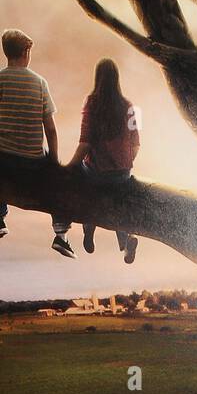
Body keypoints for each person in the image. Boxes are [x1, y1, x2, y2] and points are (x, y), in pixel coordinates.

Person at [0, 26, 74, 256]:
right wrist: (54, 161)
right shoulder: (40, 83)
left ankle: (0, 218)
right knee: (58, 183)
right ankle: (60, 234)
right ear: (26, 53)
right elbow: (50, 129)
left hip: (4, 159)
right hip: (32, 160)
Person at [66, 57, 139, 263]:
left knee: (85, 186)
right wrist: (124, 164)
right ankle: (126, 242)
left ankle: (88, 229)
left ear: (97, 78)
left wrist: (70, 167)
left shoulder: (92, 103)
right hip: (122, 174)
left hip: (97, 173)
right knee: (119, 199)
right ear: (117, 79)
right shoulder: (129, 106)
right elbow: (136, 144)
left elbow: (85, 143)